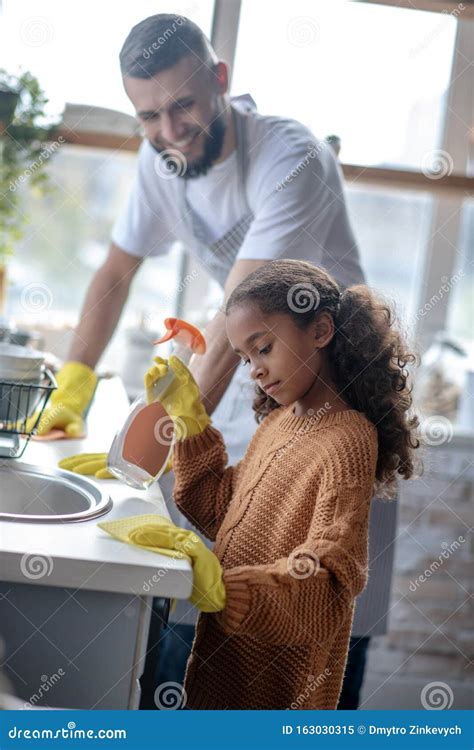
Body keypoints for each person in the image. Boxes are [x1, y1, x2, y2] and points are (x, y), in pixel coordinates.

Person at [33, 14, 397, 706]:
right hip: (267, 415)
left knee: (312, 650)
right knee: (210, 633)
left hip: (333, 407)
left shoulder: (292, 158)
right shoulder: (159, 161)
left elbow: (240, 317)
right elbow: (114, 274)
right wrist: (74, 385)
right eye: (148, 116)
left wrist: (159, 430)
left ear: (220, 80)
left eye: (184, 106)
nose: (169, 132)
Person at [152, 260, 420, 709]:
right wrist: (190, 421)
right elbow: (222, 511)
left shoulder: (348, 439)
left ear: (320, 330)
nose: (254, 369)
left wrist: (227, 588)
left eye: (264, 348)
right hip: (225, 668)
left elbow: (329, 580)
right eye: (244, 358)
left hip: (278, 692)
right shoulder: (277, 423)